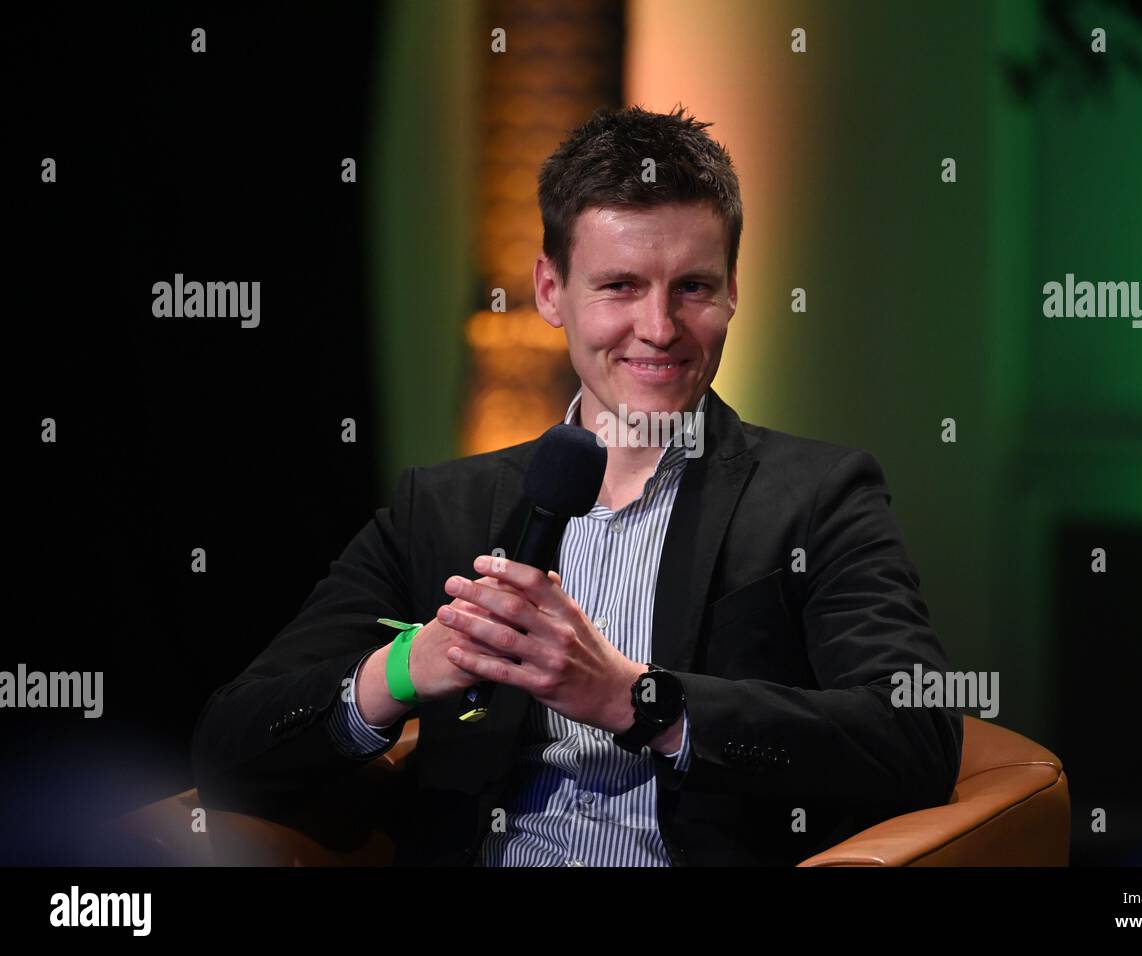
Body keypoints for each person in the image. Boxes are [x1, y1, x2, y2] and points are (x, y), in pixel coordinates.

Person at [191, 104, 964, 866]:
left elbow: (916, 736)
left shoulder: (818, 495)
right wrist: (404, 670)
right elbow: (230, 747)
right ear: (551, 291)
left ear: (733, 291)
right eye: (620, 286)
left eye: (692, 287)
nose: (659, 328)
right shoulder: (443, 506)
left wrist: (637, 701)